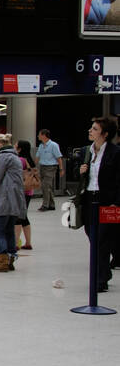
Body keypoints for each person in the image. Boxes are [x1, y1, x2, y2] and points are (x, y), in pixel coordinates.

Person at [78, 115, 120, 292]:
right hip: (89, 199)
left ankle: (100, 279)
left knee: (102, 240)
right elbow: (83, 176)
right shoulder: (87, 151)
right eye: (91, 128)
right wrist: (81, 171)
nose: (90, 131)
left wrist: (116, 203)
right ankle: (103, 273)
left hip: (107, 202)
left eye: (95, 129)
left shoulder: (115, 153)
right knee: (92, 236)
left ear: (105, 134)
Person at [0, 134, 26, 273]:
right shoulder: (14, 156)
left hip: (5, 198)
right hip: (15, 199)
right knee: (9, 230)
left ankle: (2, 259)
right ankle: (10, 259)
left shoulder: (3, 156)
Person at [35, 129, 62, 211]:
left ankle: (45, 205)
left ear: (44, 135)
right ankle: (51, 204)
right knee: (47, 186)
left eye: (39, 134)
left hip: (51, 167)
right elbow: (37, 157)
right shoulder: (41, 146)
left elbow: (58, 157)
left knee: (45, 185)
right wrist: (34, 167)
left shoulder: (54, 145)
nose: (38, 136)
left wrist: (61, 168)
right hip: (42, 167)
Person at [15, 140, 35, 251]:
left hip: (21, 191)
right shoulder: (29, 160)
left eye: (16, 145)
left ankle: (15, 242)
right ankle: (28, 242)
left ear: (20, 148)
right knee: (24, 217)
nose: (14, 146)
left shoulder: (20, 160)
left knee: (18, 217)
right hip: (29, 191)